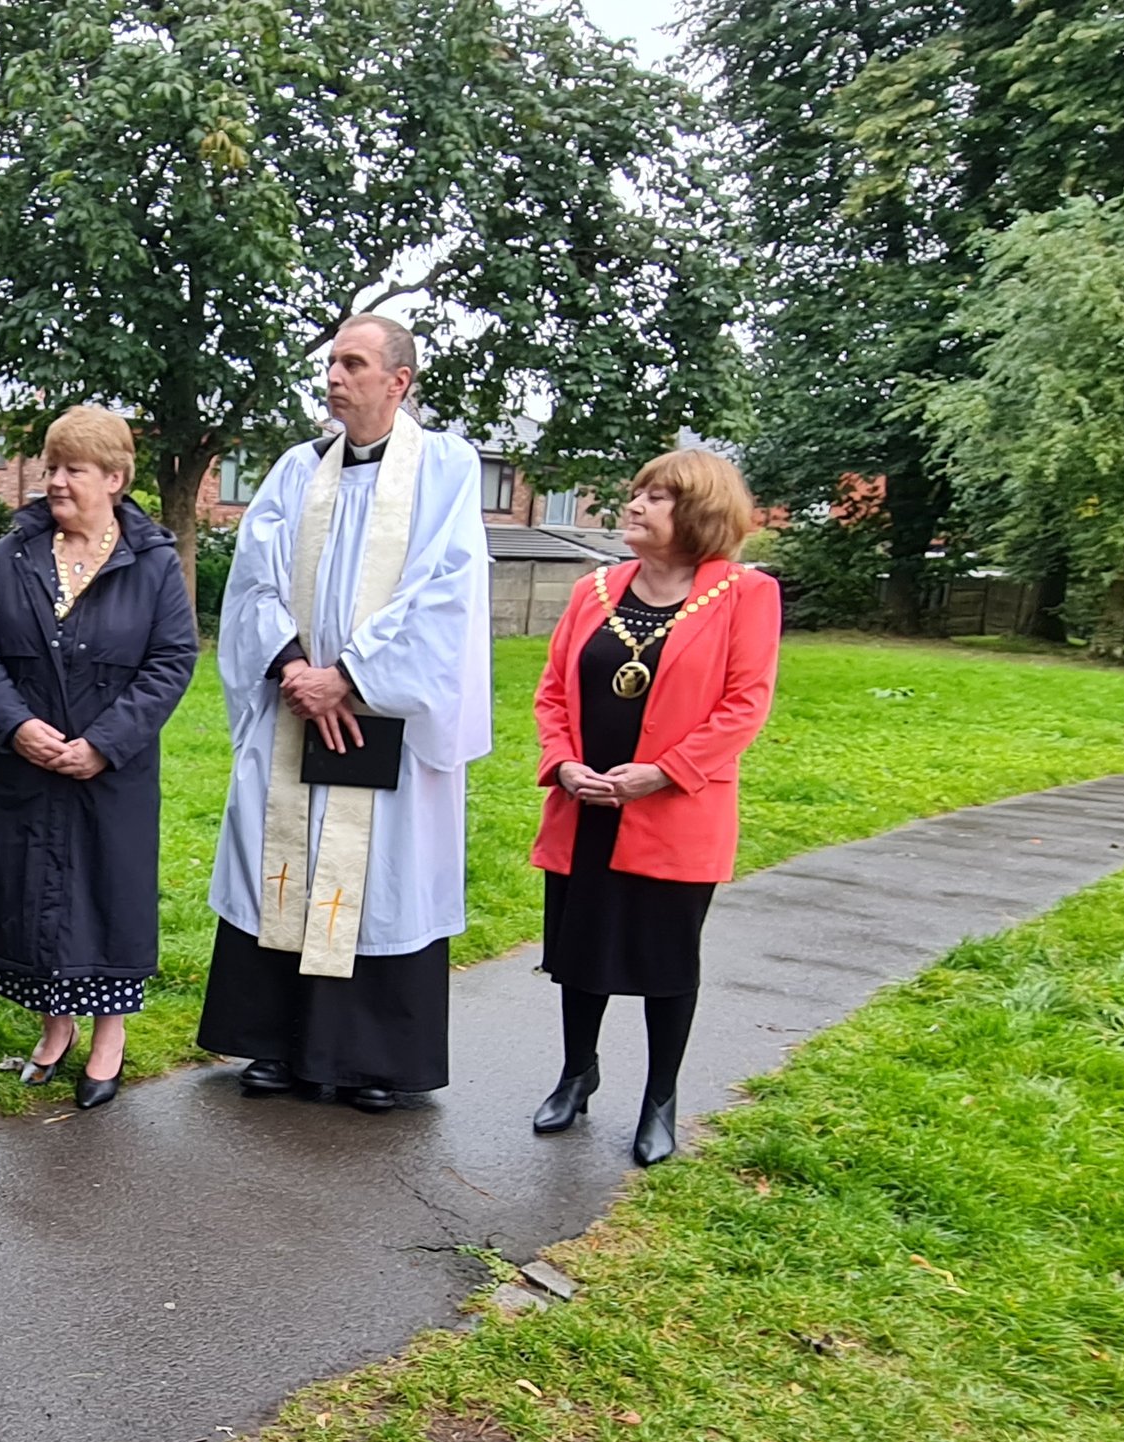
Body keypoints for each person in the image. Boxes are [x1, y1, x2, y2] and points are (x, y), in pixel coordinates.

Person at [198, 314, 493, 1112]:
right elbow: (253, 580)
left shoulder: (445, 467)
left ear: (399, 381)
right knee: (285, 859)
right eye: (330, 362)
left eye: (353, 364)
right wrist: (295, 665)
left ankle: (369, 1058)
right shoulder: (298, 469)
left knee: (376, 872)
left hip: (381, 714)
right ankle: (277, 1043)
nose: (333, 376)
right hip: (299, 701)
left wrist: (354, 676)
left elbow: (445, 588)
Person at [529, 448, 780, 1164]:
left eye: (658, 497)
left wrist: (664, 773)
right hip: (587, 805)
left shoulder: (745, 594)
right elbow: (552, 691)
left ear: (699, 512)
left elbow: (744, 705)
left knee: (666, 962)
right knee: (578, 954)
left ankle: (659, 1098)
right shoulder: (594, 590)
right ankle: (578, 1074)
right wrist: (564, 763)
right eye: (637, 492)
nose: (636, 505)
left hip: (675, 812)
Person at [0, 407, 200, 1111]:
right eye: (52, 467)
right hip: (25, 765)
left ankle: (109, 1037)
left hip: (110, 773)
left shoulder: (150, 562)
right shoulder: (16, 553)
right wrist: (16, 725)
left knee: (105, 897)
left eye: (74, 469)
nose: (56, 482)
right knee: (32, 893)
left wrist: (105, 742)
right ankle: (55, 1027)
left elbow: (173, 659)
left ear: (115, 479)